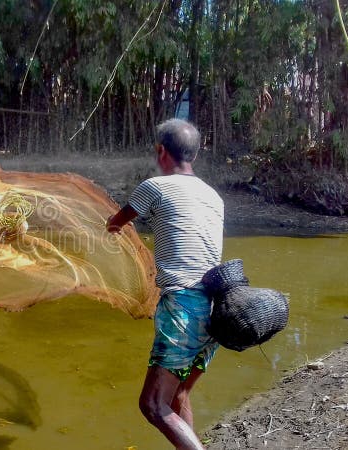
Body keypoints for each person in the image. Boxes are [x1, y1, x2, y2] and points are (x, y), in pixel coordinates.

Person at [106, 118, 224, 450]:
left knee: (153, 406)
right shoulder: (214, 196)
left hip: (184, 307)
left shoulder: (155, 186)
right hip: (219, 307)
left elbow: (115, 223)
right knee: (179, 394)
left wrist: (104, 226)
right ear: (194, 157)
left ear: (161, 152)